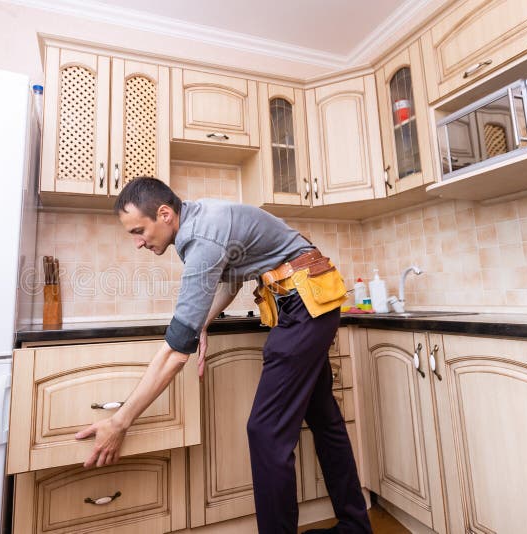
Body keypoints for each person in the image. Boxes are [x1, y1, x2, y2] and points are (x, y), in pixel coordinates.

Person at [74, 177, 371, 534]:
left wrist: (119, 422)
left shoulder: (202, 239)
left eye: (138, 231)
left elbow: (174, 354)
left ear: (165, 214)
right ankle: (356, 526)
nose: (137, 242)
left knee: (265, 431)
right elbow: (231, 281)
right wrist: (202, 323)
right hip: (310, 302)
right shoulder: (201, 218)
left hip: (304, 305)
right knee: (324, 418)